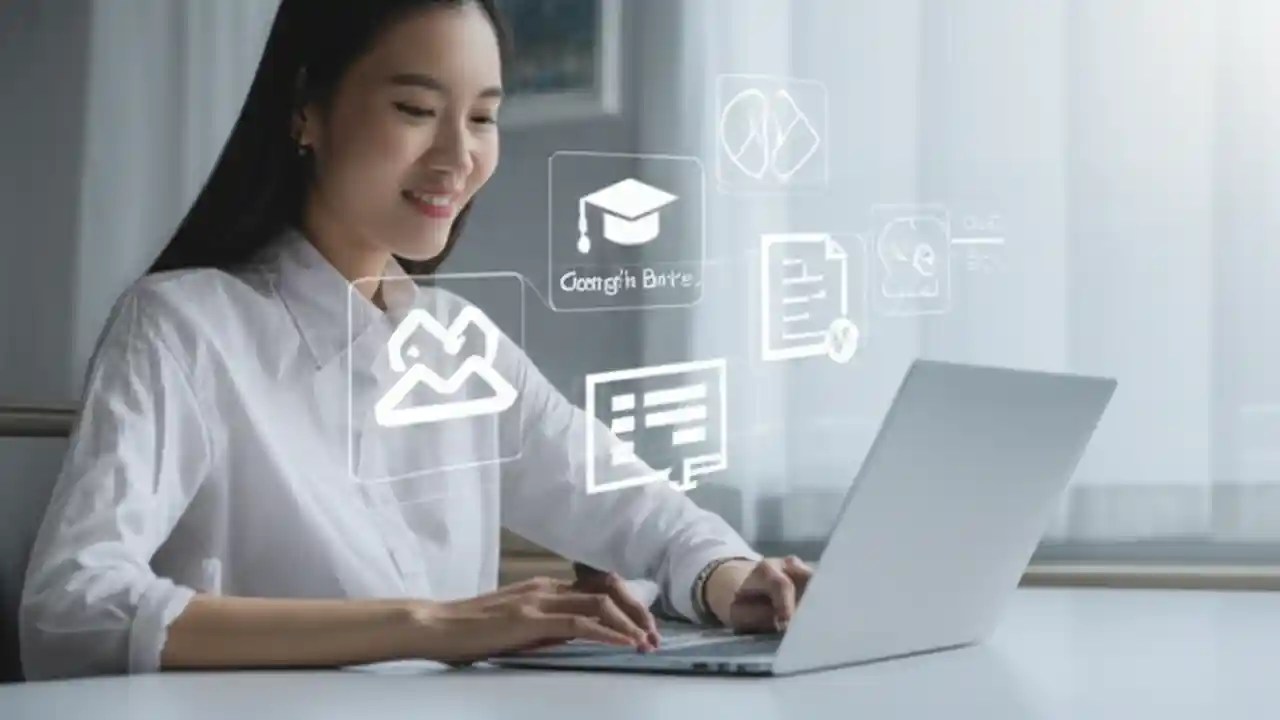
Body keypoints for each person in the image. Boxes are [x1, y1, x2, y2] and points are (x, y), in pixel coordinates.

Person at [18, 0, 812, 680]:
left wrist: (728, 579)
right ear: (306, 110)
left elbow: (641, 512)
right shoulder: (182, 327)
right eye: (415, 109)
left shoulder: (457, 345)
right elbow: (73, 607)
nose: (457, 157)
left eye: (482, 118)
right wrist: (433, 624)